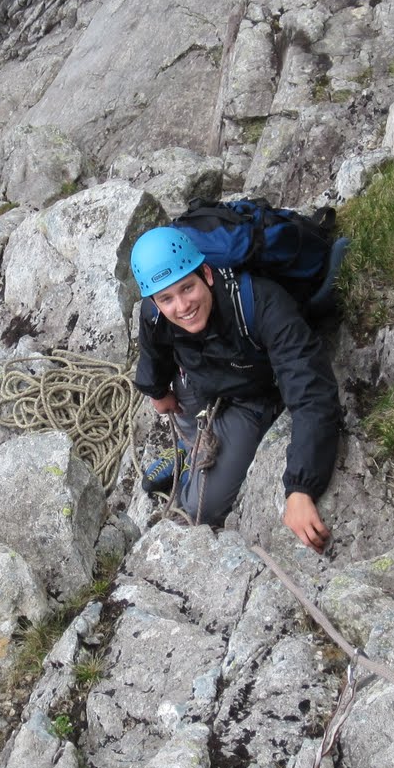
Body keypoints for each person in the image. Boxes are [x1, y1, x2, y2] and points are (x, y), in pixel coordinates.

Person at [131, 225, 341, 552]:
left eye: (188, 288)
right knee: (180, 398)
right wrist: (157, 390)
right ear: (155, 300)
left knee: (204, 509)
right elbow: (153, 349)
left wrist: (301, 487)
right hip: (201, 378)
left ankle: (195, 470)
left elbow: (311, 391)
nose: (181, 306)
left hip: (253, 396)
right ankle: (189, 456)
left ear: (206, 274)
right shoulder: (155, 312)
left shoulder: (260, 303)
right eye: (166, 299)